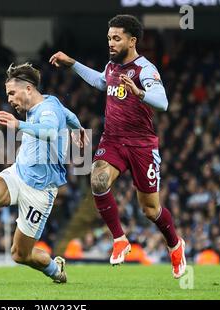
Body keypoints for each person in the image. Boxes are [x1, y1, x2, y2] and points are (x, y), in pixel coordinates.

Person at [49, 14, 186, 279]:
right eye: (109, 38)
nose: (110, 43)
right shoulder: (112, 67)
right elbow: (102, 82)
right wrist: (73, 64)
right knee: (98, 180)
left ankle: (175, 244)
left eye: (116, 38)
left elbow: (163, 101)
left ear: (132, 41)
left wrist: (140, 93)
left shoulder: (145, 69)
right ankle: (120, 239)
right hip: (112, 140)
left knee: (150, 209)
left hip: (141, 145)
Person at [0, 63, 88, 283]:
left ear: (28, 89)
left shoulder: (48, 110)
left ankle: (55, 269)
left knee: (20, 254)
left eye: (12, 93)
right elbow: (70, 115)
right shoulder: (51, 102)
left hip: (41, 190)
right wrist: (78, 129)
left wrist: (18, 124)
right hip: (18, 173)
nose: (9, 99)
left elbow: (49, 131)